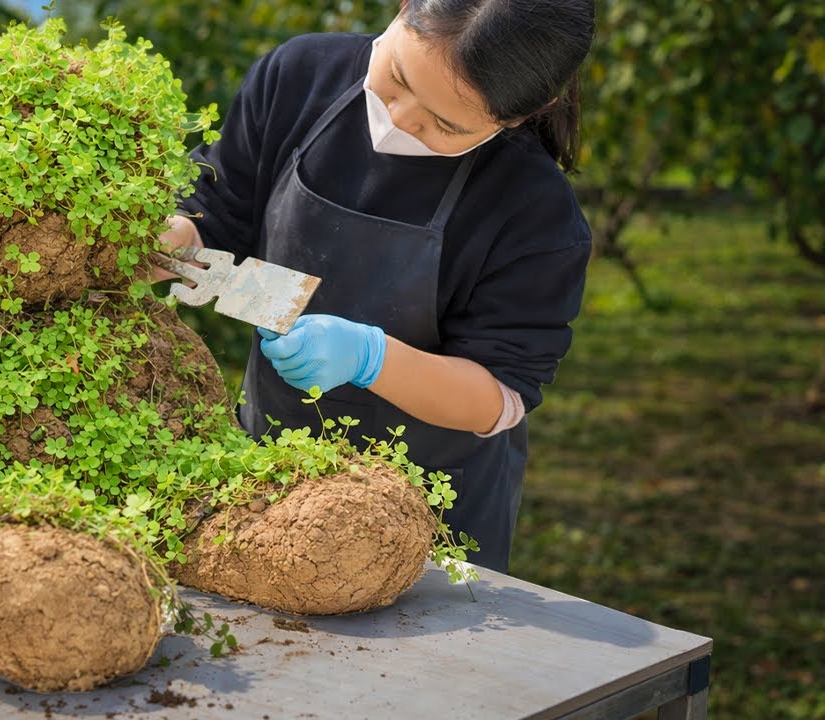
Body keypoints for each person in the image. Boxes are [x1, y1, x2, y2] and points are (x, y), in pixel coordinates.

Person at [155, 0, 596, 573]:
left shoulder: (534, 211)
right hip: (265, 473)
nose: (402, 118)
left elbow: (500, 393)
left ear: (518, 115)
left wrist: (371, 358)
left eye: (447, 125)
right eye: (399, 79)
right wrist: (169, 239)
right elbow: (218, 208)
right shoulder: (299, 77)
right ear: (406, 7)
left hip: (430, 513)